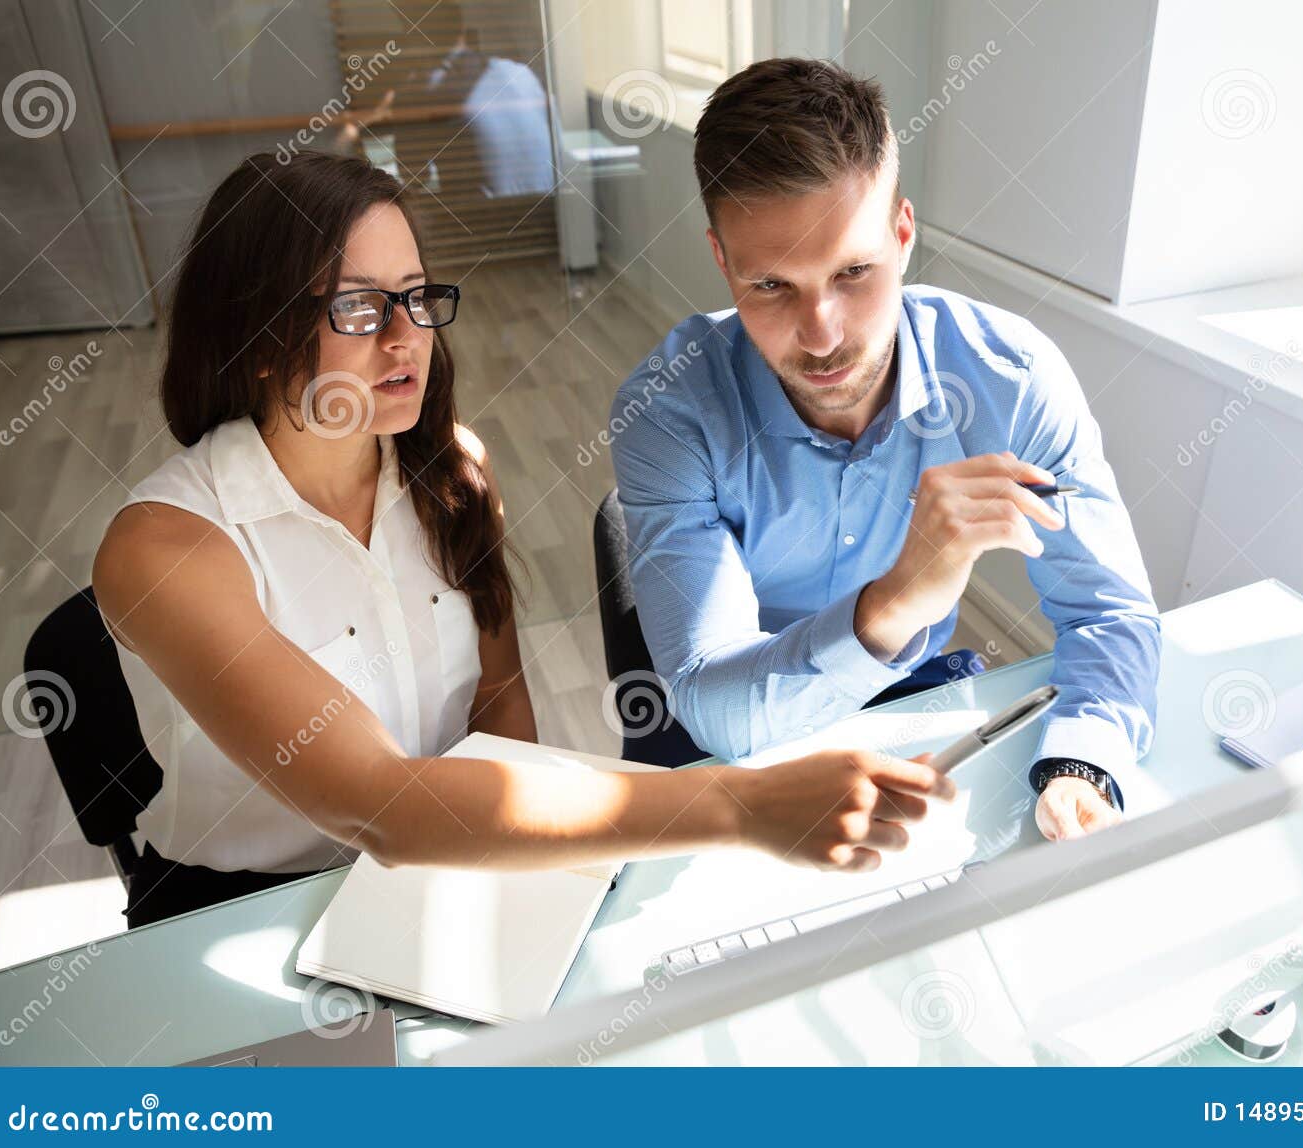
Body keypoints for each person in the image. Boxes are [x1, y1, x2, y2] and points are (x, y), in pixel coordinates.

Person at [93, 151, 951, 928]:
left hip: (445, 865)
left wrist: (532, 873)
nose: (405, 337)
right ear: (256, 330)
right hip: (244, 913)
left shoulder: (452, 471)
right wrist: (738, 803)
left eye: (416, 296)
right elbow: (382, 806)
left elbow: (498, 705)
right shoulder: (163, 551)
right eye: (358, 307)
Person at [609, 59, 1161, 842]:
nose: (823, 334)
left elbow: (1108, 607)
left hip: (911, 698)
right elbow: (714, 710)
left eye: (854, 271)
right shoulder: (669, 409)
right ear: (722, 262)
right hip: (728, 727)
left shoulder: (1013, 377)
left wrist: (1084, 760)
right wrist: (897, 599)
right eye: (772, 286)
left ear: (903, 235)